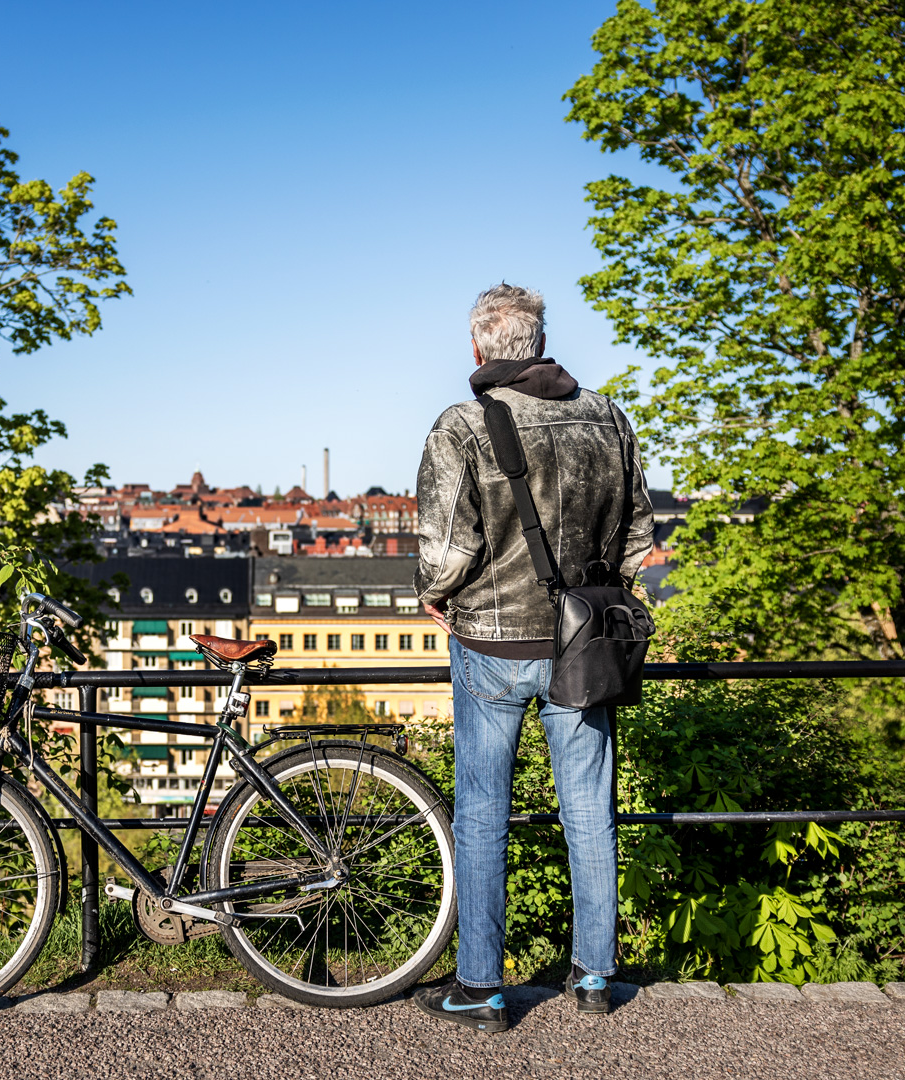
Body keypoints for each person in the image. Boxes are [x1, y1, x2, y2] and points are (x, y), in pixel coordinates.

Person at [410, 284, 653, 1032]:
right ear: (541, 343)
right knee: (590, 809)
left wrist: (432, 594)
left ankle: (481, 988)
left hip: (491, 644)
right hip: (584, 645)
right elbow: (639, 536)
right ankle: (595, 974)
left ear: (478, 347)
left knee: (484, 814)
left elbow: (449, 551)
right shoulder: (607, 417)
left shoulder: (463, 425)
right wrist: (599, 592)